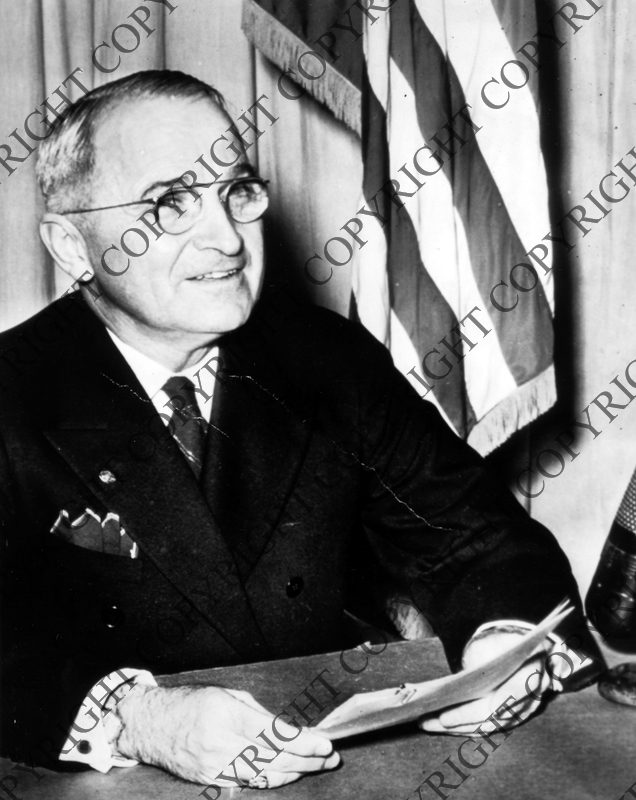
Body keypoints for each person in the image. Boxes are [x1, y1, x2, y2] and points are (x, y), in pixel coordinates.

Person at [0, 70, 603, 790]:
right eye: (169, 204)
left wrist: (505, 646)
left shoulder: (326, 358)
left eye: (237, 193)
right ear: (72, 245)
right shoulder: (14, 391)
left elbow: (477, 538)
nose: (226, 238)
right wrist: (140, 719)